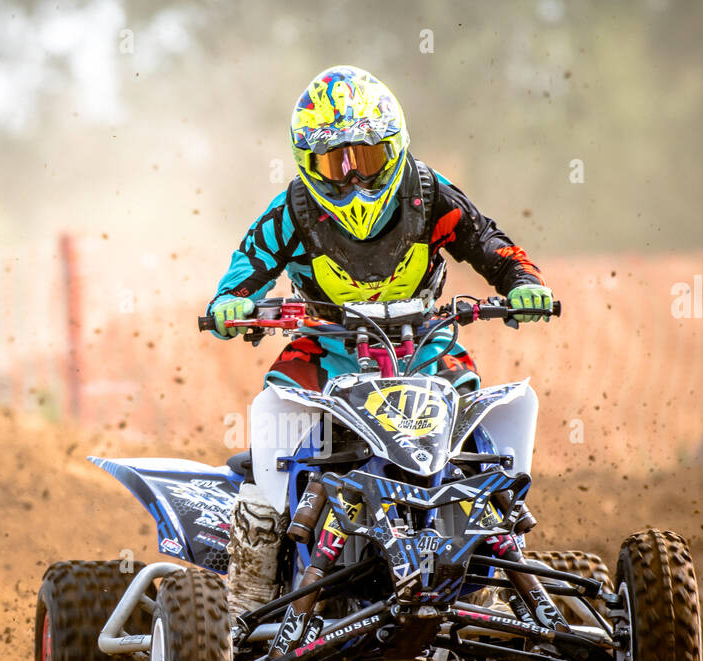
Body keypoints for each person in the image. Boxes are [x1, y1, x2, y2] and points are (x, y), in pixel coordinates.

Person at [205, 66, 555, 624]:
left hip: (426, 345)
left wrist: (524, 283)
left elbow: (488, 241)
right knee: (274, 410)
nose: (353, 177)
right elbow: (245, 269)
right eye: (334, 161)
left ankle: (494, 563)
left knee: (492, 417)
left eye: (367, 157)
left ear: (394, 148)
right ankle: (249, 594)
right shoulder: (292, 211)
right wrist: (231, 303)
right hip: (326, 349)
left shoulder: (428, 193)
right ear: (306, 162)